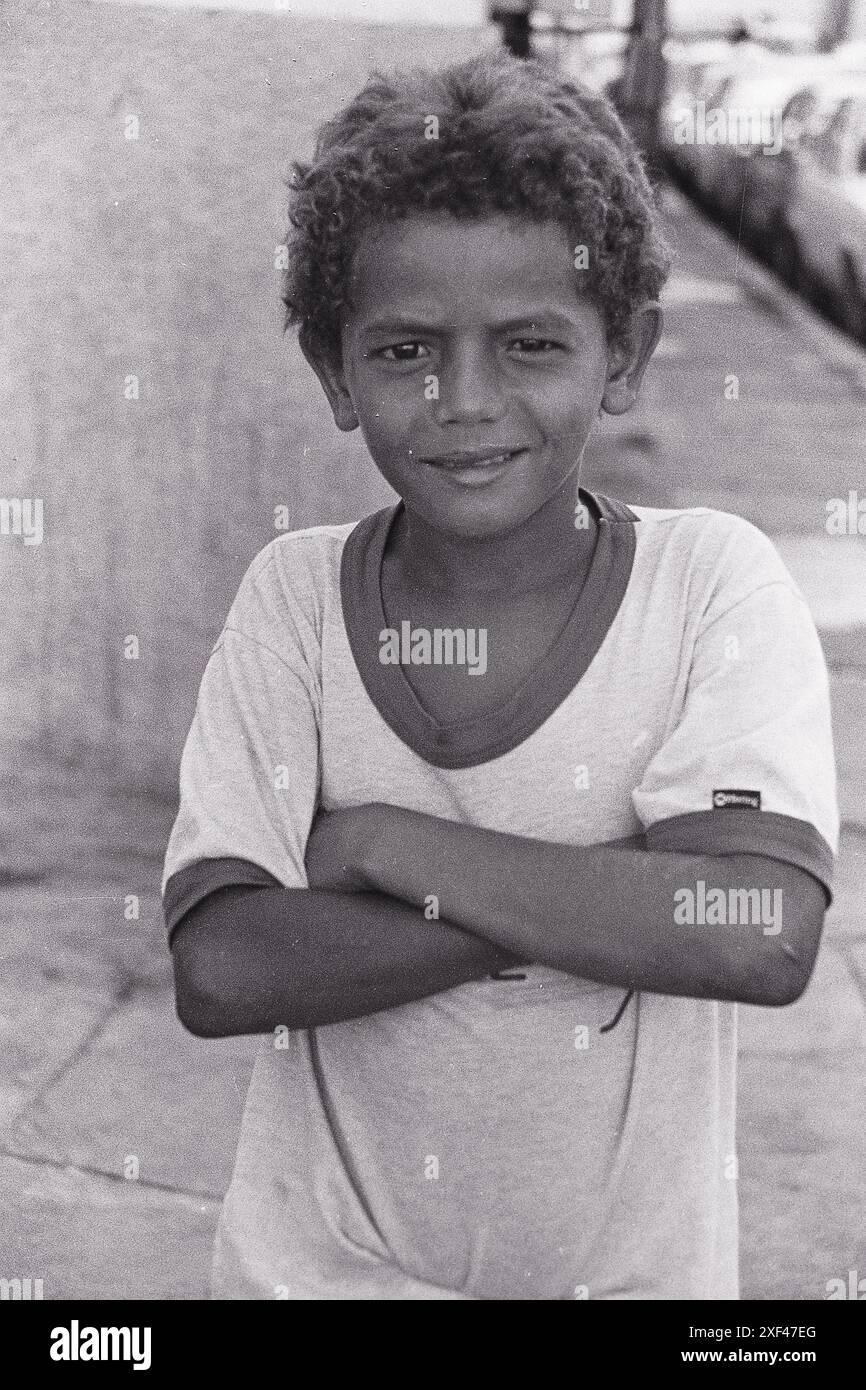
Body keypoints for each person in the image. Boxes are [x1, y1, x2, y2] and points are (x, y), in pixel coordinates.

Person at [162, 50, 838, 1300]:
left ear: (622, 353)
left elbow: (754, 930)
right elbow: (226, 965)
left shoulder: (705, 589)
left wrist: (385, 844)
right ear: (332, 369)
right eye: (405, 349)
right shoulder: (296, 605)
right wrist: (613, 898)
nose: (463, 400)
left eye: (530, 343)